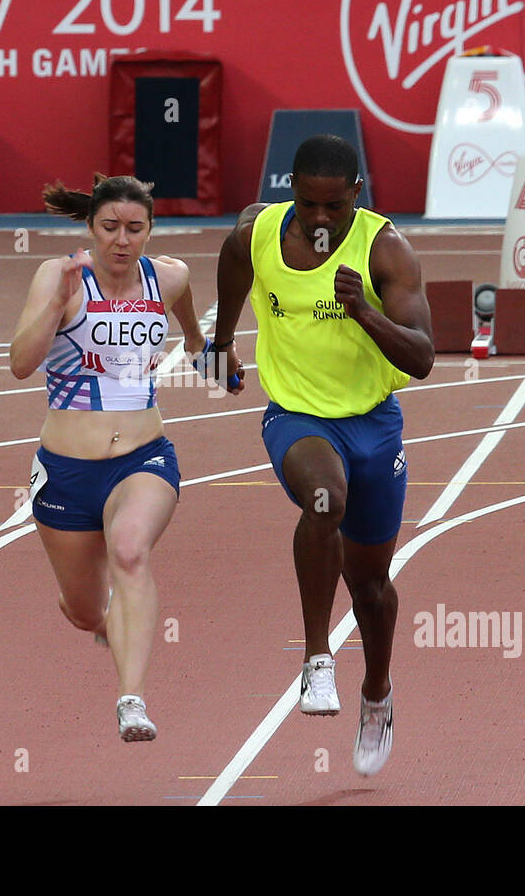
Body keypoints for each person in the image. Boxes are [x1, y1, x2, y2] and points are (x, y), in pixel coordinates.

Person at [207, 135, 434, 775]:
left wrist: (363, 311)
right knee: (324, 499)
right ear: (292, 191)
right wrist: (221, 343)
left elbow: (422, 357)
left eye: (335, 206)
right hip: (297, 416)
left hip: (372, 424)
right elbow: (233, 259)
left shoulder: (384, 248)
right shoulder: (259, 231)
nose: (320, 218)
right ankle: (316, 658)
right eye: (308, 204)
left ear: (357, 194)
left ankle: (377, 692)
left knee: (371, 588)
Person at [10, 173, 205, 742]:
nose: (122, 240)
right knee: (83, 609)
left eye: (135, 229)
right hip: (67, 471)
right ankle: (105, 622)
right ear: (91, 227)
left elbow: (191, 326)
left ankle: (131, 700)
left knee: (129, 552)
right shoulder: (60, 276)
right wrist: (57, 304)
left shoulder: (169, 276)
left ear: (151, 230)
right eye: (110, 227)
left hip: (143, 457)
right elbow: (20, 364)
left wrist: (206, 354)